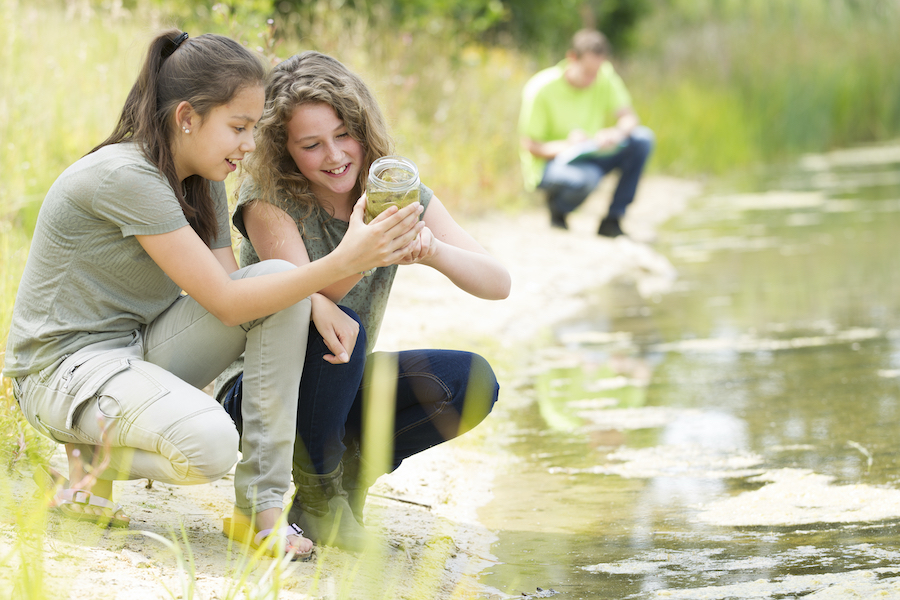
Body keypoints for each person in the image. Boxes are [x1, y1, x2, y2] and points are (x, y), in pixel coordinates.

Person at [2, 31, 422, 560]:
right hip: (61, 373)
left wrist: (314, 290)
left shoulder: (201, 181)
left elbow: (246, 296)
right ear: (186, 117)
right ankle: (88, 456)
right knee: (212, 446)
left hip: (137, 352)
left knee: (274, 285)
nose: (250, 145)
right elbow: (224, 302)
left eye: (254, 128)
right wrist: (344, 263)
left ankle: (261, 513)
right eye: (239, 127)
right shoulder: (126, 177)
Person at [214, 51, 511, 552]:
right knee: (334, 323)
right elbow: (300, 292)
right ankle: (322, 496)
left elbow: (497, 281)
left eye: (344, 135)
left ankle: (335, 489)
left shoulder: (393, 192)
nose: (334, 156)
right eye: (311, 145)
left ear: (363, 129)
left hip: (337, 387)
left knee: (470, 381)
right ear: (285, 150)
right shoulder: (266, 198)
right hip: (259, 396)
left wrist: (433, 250)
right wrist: (365, 251)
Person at [518, 29, 655, 237]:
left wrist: (616, 133)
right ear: (572, 58)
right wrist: (569, 145)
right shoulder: (541, 88)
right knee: (588, 177)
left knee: (642, 139)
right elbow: (530, 146)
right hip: (550, 165)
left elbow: (629, 118)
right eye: (587, 72)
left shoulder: (604, 74)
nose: (593, 79)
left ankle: (613, 220)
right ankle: (558, 208)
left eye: (596, 72)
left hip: (592, 154)